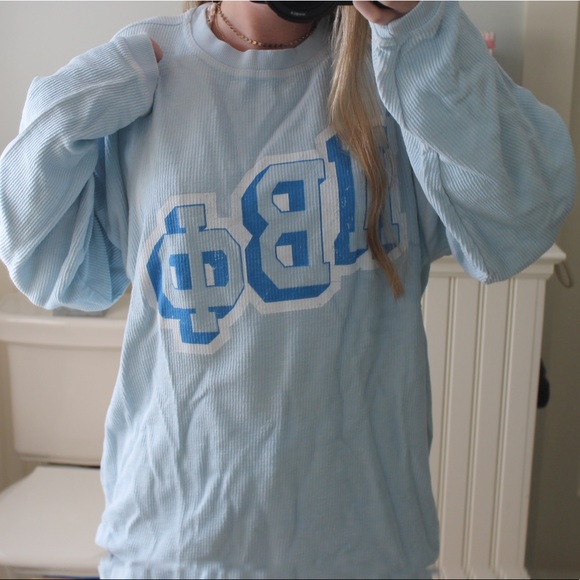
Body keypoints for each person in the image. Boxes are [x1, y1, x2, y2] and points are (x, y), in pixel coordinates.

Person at [0, 1, 575, 578]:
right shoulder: (147, 69)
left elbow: (521, 221)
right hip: (172, 550)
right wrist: (63, 111)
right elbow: (52, 268)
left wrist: (421, 28)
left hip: (366, 556)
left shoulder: (401, 68)